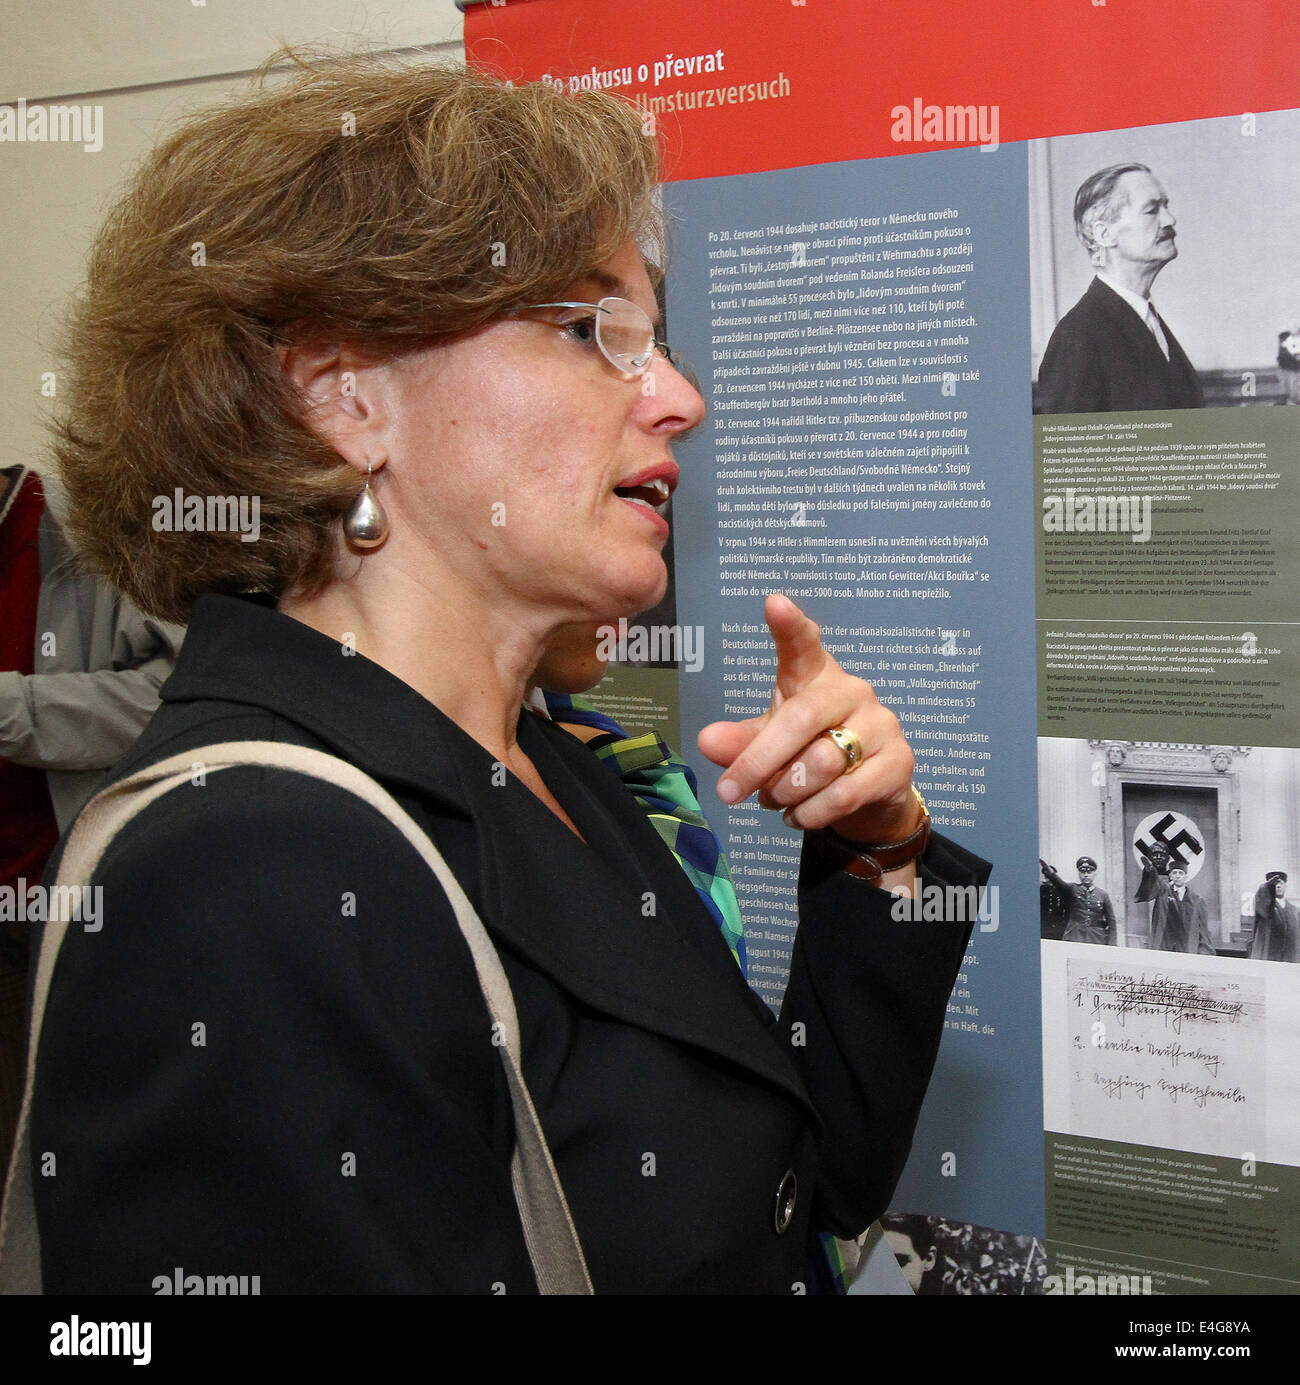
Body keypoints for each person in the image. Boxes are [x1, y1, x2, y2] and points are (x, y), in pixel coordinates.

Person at [20, 56, 989, 1294]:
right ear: (342, 396)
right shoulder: (243, 865)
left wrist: (881, 853)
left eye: (660, 343)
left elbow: (792, 1192)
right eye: (599, 334)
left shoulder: (556, 764)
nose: (681, 399)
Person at [0, 464, 183, 1172]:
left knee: (49, 1169)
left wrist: (13, 710)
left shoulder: (92, 521)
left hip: (63, 910)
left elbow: (175, 694)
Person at [1036, 162, 1201, 414]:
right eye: (1151, 210)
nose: (1170, 219)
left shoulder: (1148, 321)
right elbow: (1067, 449)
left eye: (1166, 206)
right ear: (1104, 234)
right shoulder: (1078, 336)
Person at [1039, 855, 1115, 945]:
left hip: (1096, 937)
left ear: (1095, 874)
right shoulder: (1072, 889)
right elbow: (1057, 881)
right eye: (1082, 872)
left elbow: (1111, 921)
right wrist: (1048, 870)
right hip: (1075, 935)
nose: (1086, 875)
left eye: (1089, 872)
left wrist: (1112, 944)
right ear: (1079, 874)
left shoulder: (1103, 894)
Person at [1150, 863, 1215, 955]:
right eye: (1174, 873)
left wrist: (1204, 952)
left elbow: (1203, 930)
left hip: (1186, 948)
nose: (1177, 876)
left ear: (1186, 877)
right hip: (1165, 946)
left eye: (1181, 873)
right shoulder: (1162, 896)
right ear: (1170, 876)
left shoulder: (1196, 900)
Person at [1250, 871, 1299, 962]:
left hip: (1289, 958)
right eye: (1274, 884)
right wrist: (1267, 886)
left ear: (1285, 886)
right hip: (1269, 957)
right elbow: (1261, 898)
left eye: (1281, 883)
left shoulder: (1294, 910)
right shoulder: (1265, 907)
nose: (1278, 886)